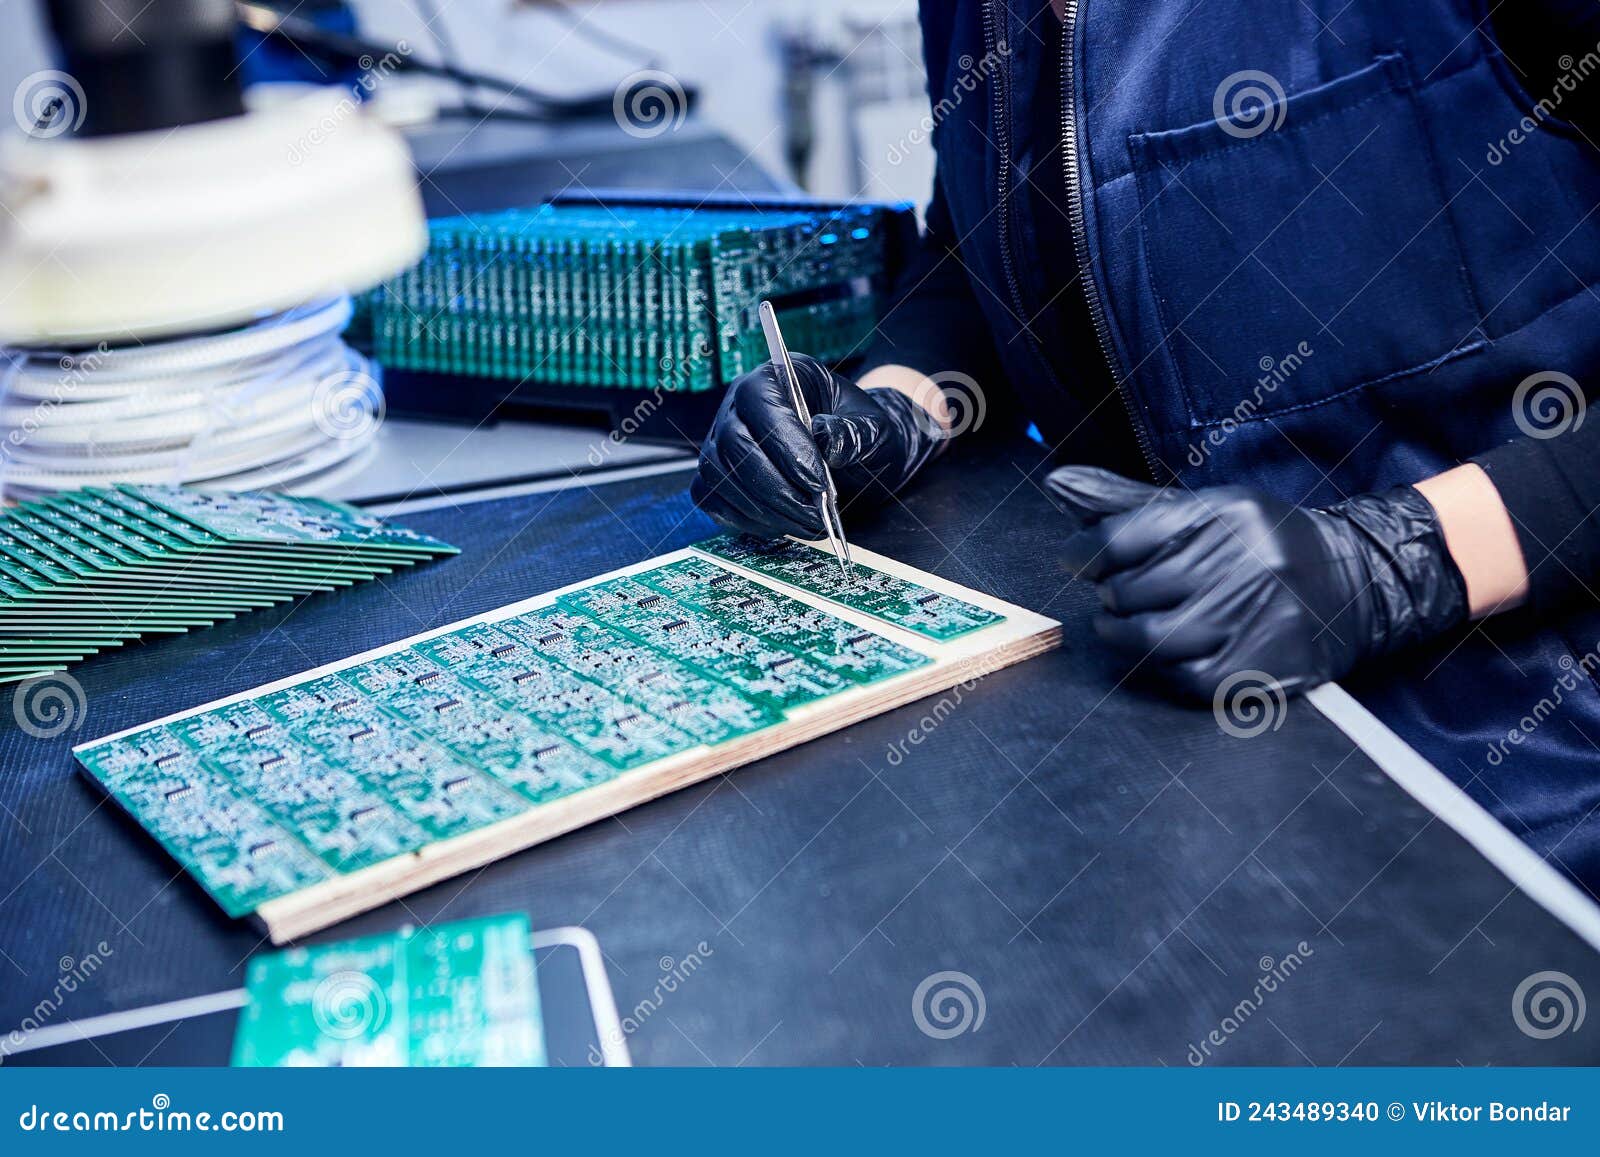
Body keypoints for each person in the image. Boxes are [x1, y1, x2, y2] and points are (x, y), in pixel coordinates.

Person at [692, 0, 1600, 893]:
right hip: (1185, 747)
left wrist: (1396, 562)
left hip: (1532, 770)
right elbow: (969, 256)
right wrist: (891, 410)